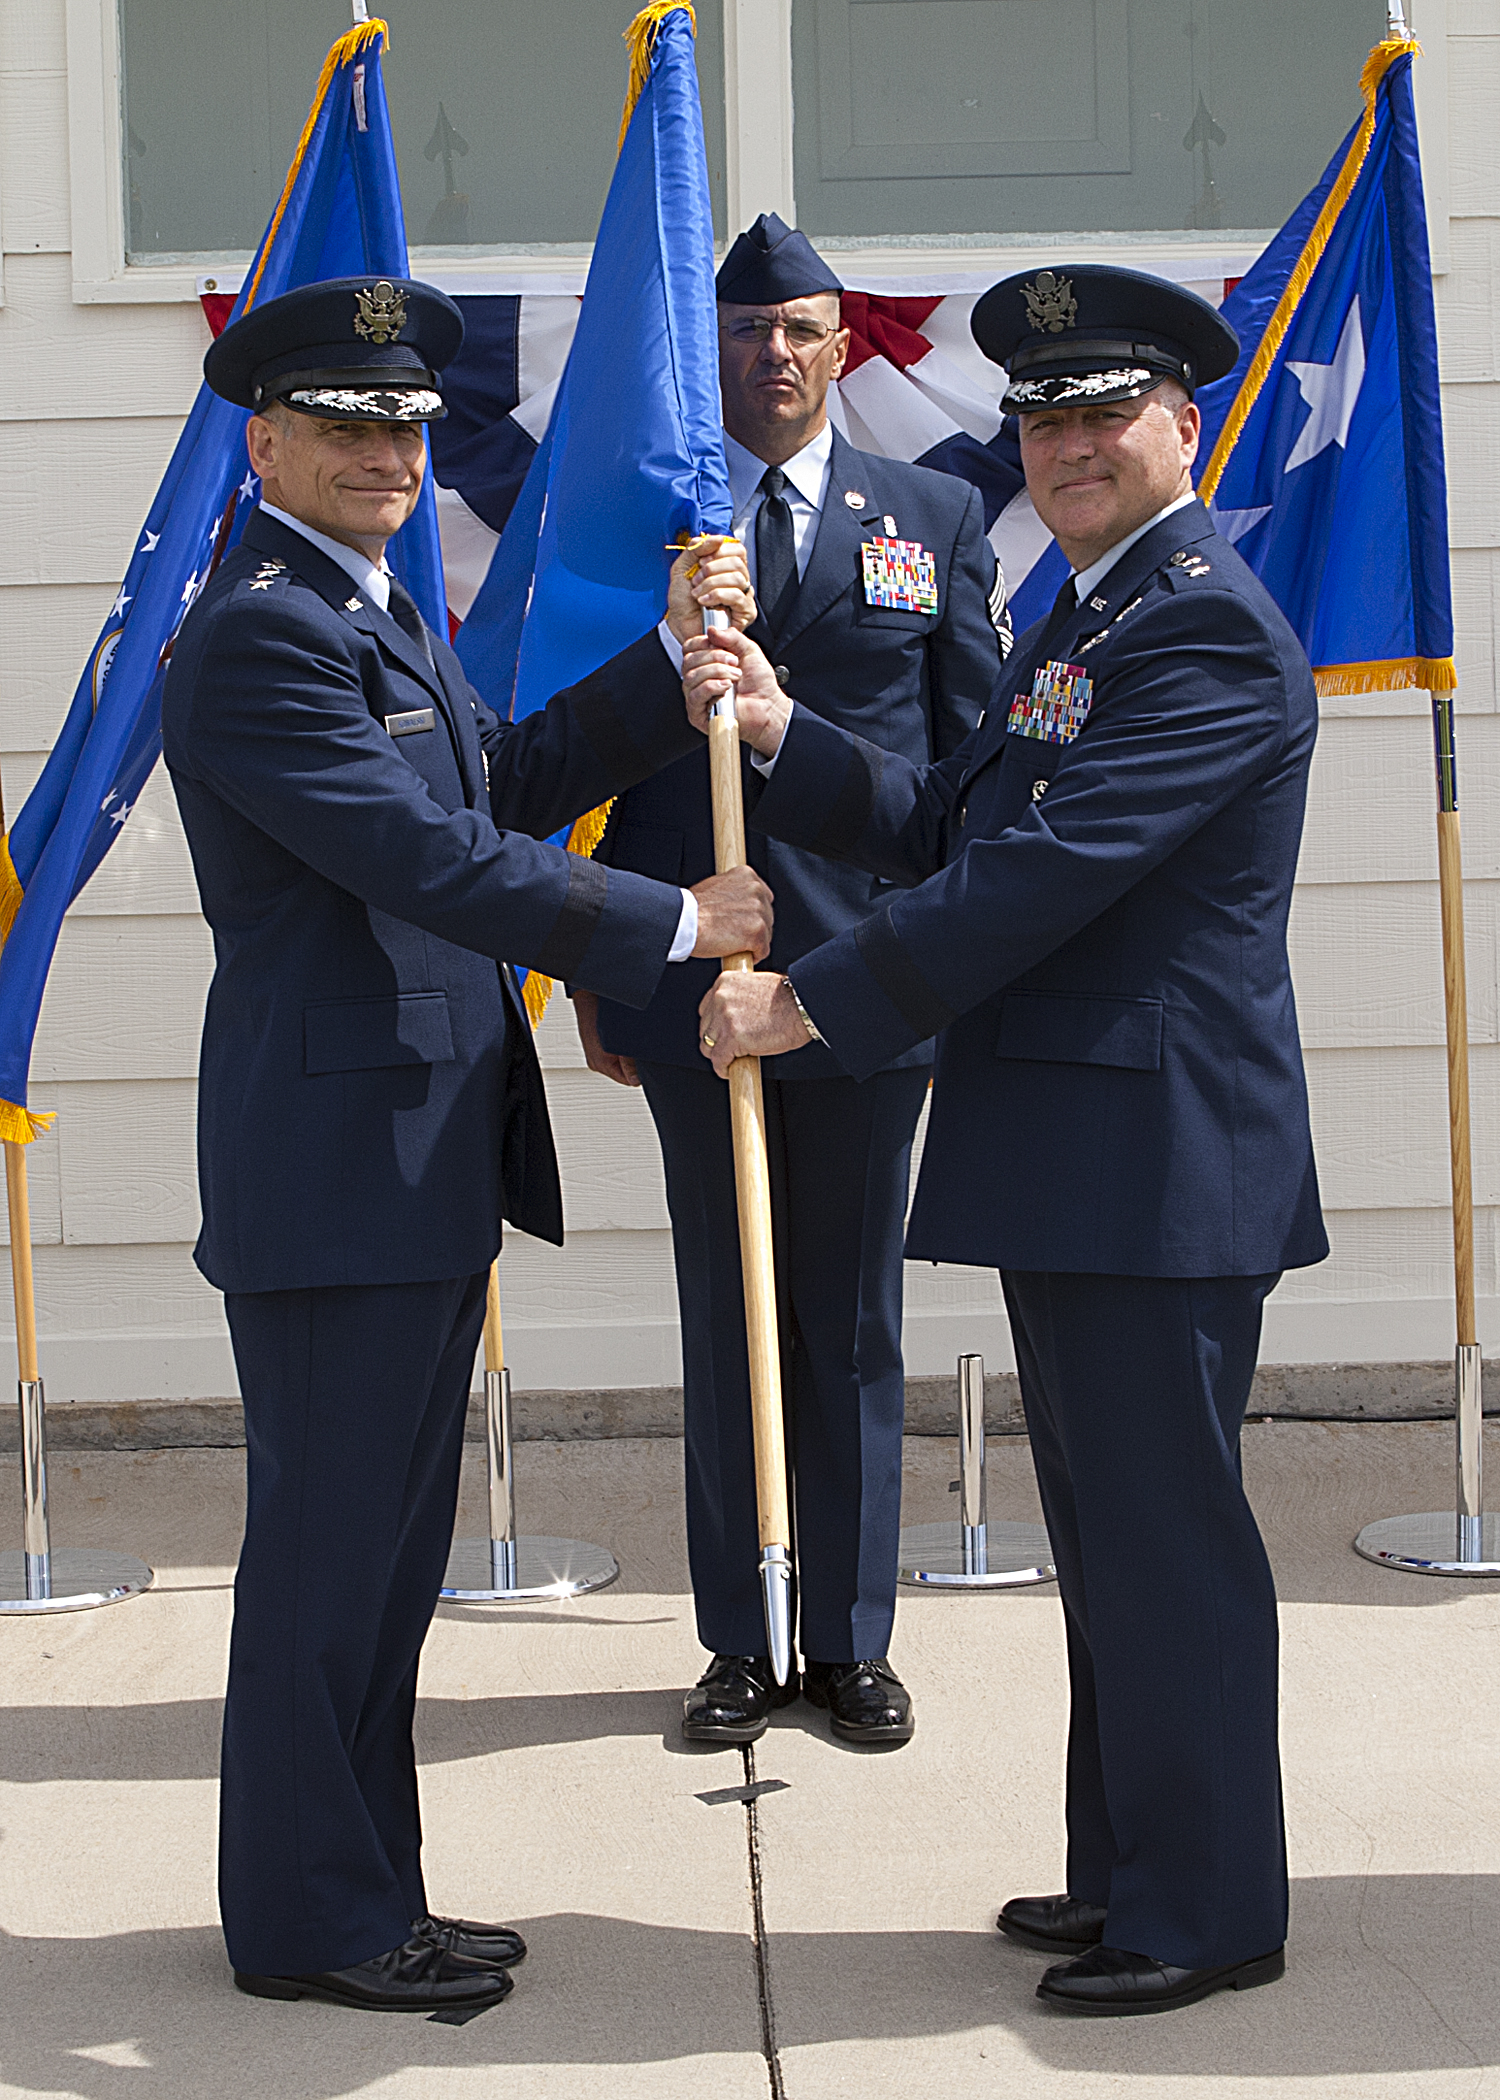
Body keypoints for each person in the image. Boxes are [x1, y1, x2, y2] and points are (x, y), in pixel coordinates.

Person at [682, 265, 1328, 2015]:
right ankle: (1133, 1869)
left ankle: (1204, 1912)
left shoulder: (1198, 624)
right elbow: (959, 820)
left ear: (1183, 422)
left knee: (1166, 1542)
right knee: (1112, 1539)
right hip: (1084, 1150)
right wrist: (782, 733)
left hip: (1160, 1156)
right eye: (1044, 419)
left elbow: (1040, 882)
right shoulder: (1088, 611)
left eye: (1105, 411)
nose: (1069, 446)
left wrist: (808, 1002)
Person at [164, 276, 771, 2016]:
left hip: (407, 1165)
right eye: (346, 426)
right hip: (336, 1174)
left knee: (377, 1565)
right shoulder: (263, 632)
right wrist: (671, 917)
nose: (384, 453)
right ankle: (310, 1923)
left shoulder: (374, 611)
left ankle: (368, 1893)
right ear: (265, 439)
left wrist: (670, 672)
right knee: (328, 1568)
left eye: (406, 427)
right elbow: (423, 860)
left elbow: (491, 779)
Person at [573, 213, 1007, 1749]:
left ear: (844, 347)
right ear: (715, 353)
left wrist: (933, 966)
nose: (776, 356)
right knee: (729, 1306)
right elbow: (597, 772)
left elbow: (966, 782)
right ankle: (743, 1640)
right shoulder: (655, 537)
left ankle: (854, 1636)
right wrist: (600, 967)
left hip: (865, 981)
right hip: (695, 982)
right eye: (748, 332)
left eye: (803, 330)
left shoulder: (933, 519)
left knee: (854, 1316)